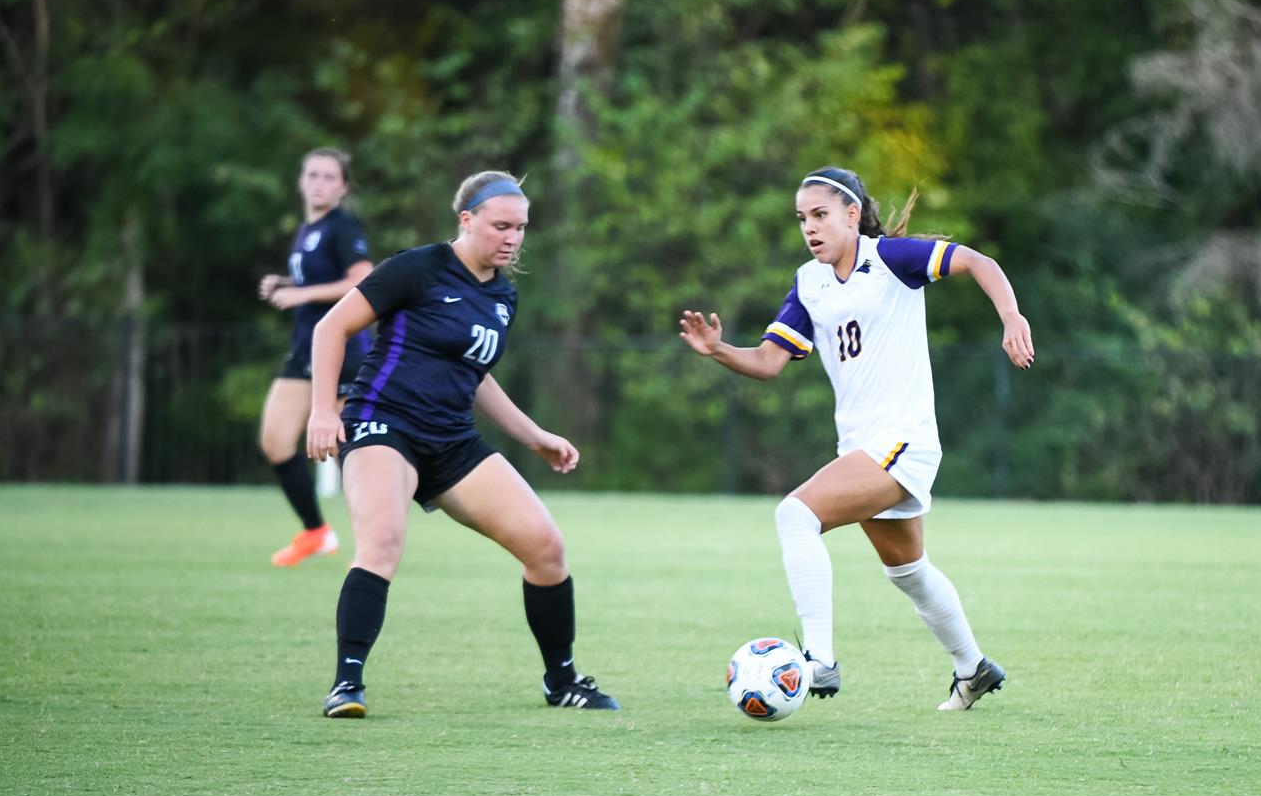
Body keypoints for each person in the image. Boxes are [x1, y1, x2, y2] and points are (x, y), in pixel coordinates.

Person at [678, 166, 1034, 711]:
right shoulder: (809, 283)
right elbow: (771, 361)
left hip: (902, 439)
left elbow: (977, 261)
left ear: (851, 215)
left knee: (794, 515)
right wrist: (720, 351)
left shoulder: (890, 259)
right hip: (863, 446)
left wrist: (1010, 316)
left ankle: (818, 658)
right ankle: (974, 669)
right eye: (802, 219)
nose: (810, 228)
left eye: (820, 215)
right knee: (908, 571)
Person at [303, 170, 619, 719]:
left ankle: (562, 680)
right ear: (466, 219)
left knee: (546, 549)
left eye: (521, 228)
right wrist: (322, 409)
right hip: (384, 423)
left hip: (450, 440)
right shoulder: (418, 267)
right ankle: (346, 684)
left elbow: (476, 377)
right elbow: (331, 328)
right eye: (501, 225)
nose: (512, 238)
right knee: (381, 542)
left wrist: (535, 436)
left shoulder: (502, 296)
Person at [256, 148, 374, 566]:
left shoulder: (343, 227)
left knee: (350, 452)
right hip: (304, 347)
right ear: (301, 181)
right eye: (312, 175)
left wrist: (300, 293)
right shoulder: (309, 229)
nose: (319, 182)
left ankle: (371, 549)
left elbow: (362, 278)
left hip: (343, 349)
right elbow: (322, 277)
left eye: (329, 176)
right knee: (274, 441)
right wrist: (285, 282)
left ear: (343, 186)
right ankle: (316, 533)